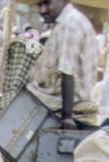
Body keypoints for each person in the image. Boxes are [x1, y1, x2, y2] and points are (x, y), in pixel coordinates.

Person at [30, 0, 98, 129]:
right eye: (39, 5)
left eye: (47, 3)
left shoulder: (70, 24)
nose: (43, 10)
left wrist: (67, 116)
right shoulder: (64, 22)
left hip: (66, 106)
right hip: (60, 102)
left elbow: (67, 71)